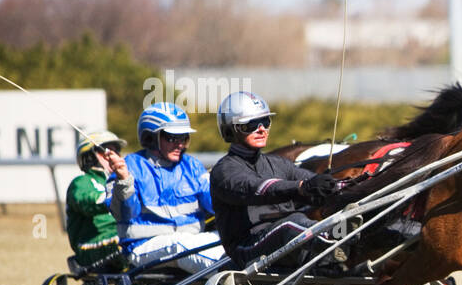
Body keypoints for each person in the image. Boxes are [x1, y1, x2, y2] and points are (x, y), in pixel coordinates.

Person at [208, 91, 340, 268]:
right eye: (251, 124)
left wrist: (330, 186)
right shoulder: (224, 171)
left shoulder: (278, 163)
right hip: (247, 247)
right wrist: (302, 188)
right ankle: (334, 242)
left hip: (286, 240)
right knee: (291, 223)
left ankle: (346, 250)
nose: (261, 129)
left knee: (338, 217)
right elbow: (259, 189)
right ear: (231, 129)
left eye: (265, 122)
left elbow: (310, 181)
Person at [96, 103, 224, 273]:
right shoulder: (128, 167)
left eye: (184, 138)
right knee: (180, 244)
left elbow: (216, 203)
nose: (180, 144)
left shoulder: (192, 166)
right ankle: (228, 279)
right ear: (151, 137)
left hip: (192, 240)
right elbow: (124, 213)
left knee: (229, 240)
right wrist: (124, 180)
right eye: (172, 138)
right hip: (143, 246)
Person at [66, 130, 128, 273]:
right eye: (107, 151)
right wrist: (115, 198)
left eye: (116, 151)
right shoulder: (82, 182)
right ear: (90, 156)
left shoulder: (116, 180)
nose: (114, 155)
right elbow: (86, 201)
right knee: (130, 238)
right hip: (90, 246)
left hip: (117, 237)